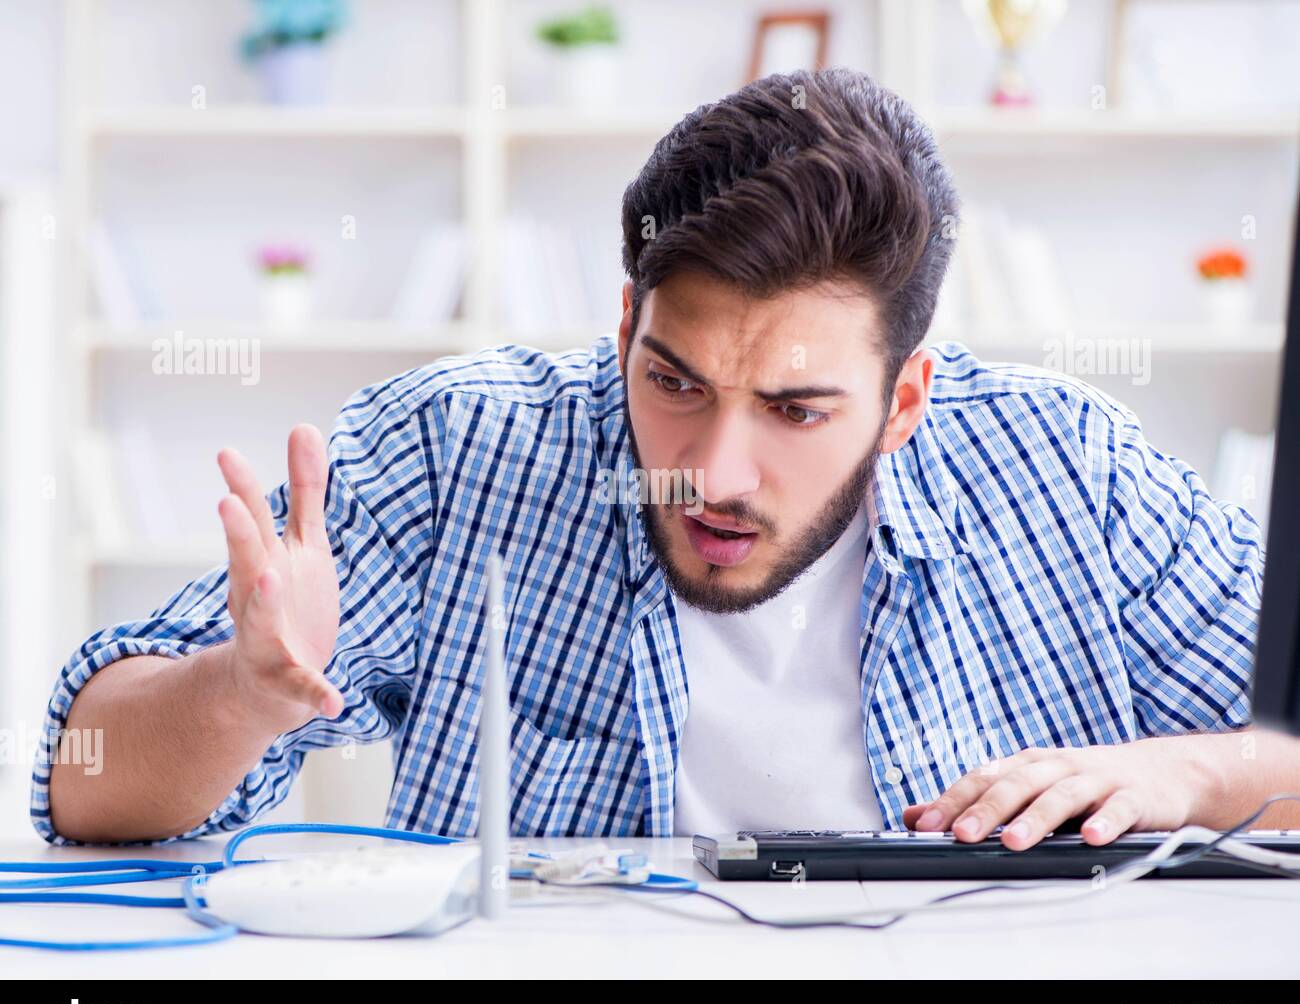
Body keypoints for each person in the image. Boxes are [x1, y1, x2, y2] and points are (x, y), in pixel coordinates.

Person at [38, 68, 1300, 848]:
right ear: (625, 324)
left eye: (797, 409)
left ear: (904, 396)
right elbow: (82, 779)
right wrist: (243, 697)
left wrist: (1186, 771)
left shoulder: (1064, 468)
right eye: (674, 381)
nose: (715, 468)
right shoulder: (462, 445)